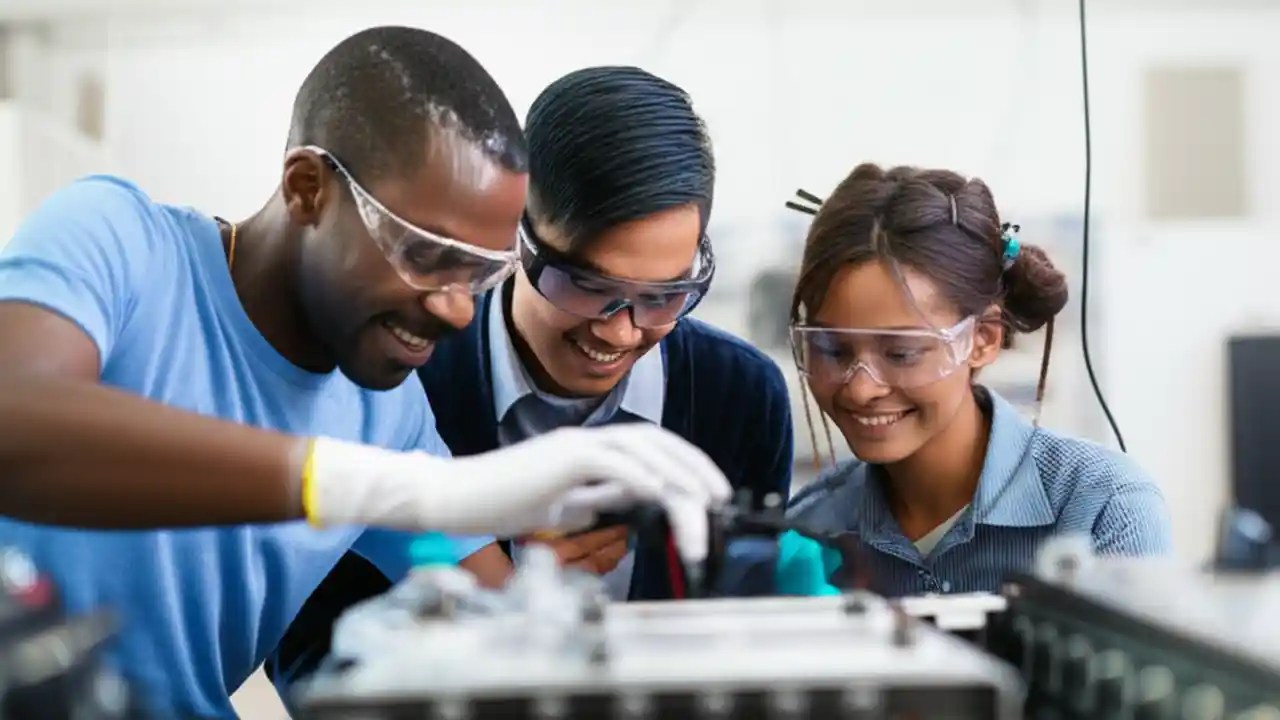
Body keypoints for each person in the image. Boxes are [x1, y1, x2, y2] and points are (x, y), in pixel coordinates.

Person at [0, 29, 729, 719]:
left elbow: (510, 637)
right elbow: (15, 419)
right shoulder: (121, 244)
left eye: (477, 274)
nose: (453, 312)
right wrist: (394, 488)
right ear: (307, 188)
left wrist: (539, 599)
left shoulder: (388, 415)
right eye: (426, 256)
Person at [267, 65, 794, 690]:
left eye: (665, 295)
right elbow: (307, 654)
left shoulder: (742, 398)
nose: (621, 331)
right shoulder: (400, 380)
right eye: (587, 286)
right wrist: (500, 600)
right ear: (517, 236)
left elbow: (747, 643)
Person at [783, 163, 1173, 597]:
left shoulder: (1102, 508)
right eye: (833, 351)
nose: (861, 388)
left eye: (902, 353)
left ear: (983, 339)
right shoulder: (810, 530)